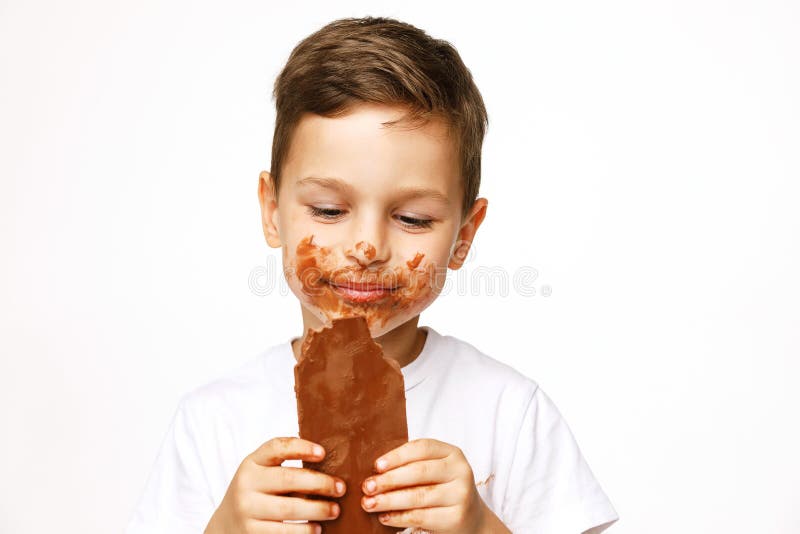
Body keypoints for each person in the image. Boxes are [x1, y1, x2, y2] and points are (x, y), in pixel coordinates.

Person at [125, 16, 619, 534]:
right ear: (272, 212)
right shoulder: (213, 422)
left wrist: (482, 528)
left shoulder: (510, 414)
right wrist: (223, 529)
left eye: (413, 218)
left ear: (464, 235)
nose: (368, 248)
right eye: (328, 210)